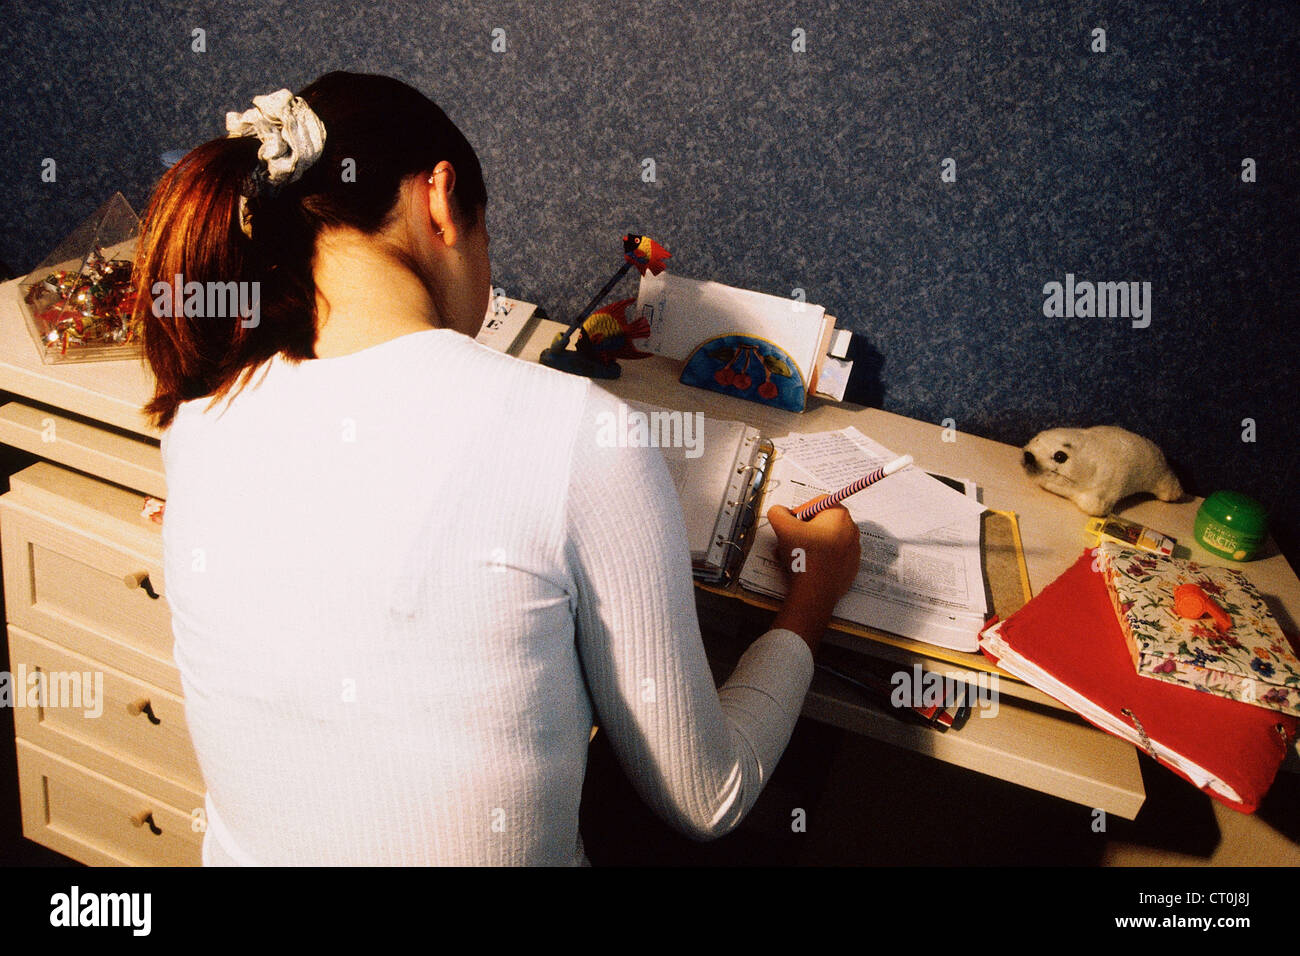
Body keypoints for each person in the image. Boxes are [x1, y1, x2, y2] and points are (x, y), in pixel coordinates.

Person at [134, 72, 860, 866]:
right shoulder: (578, 433)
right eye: (487, 233)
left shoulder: (198, 414)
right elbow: (706, 798)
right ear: (441, 200)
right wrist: (813, 595)